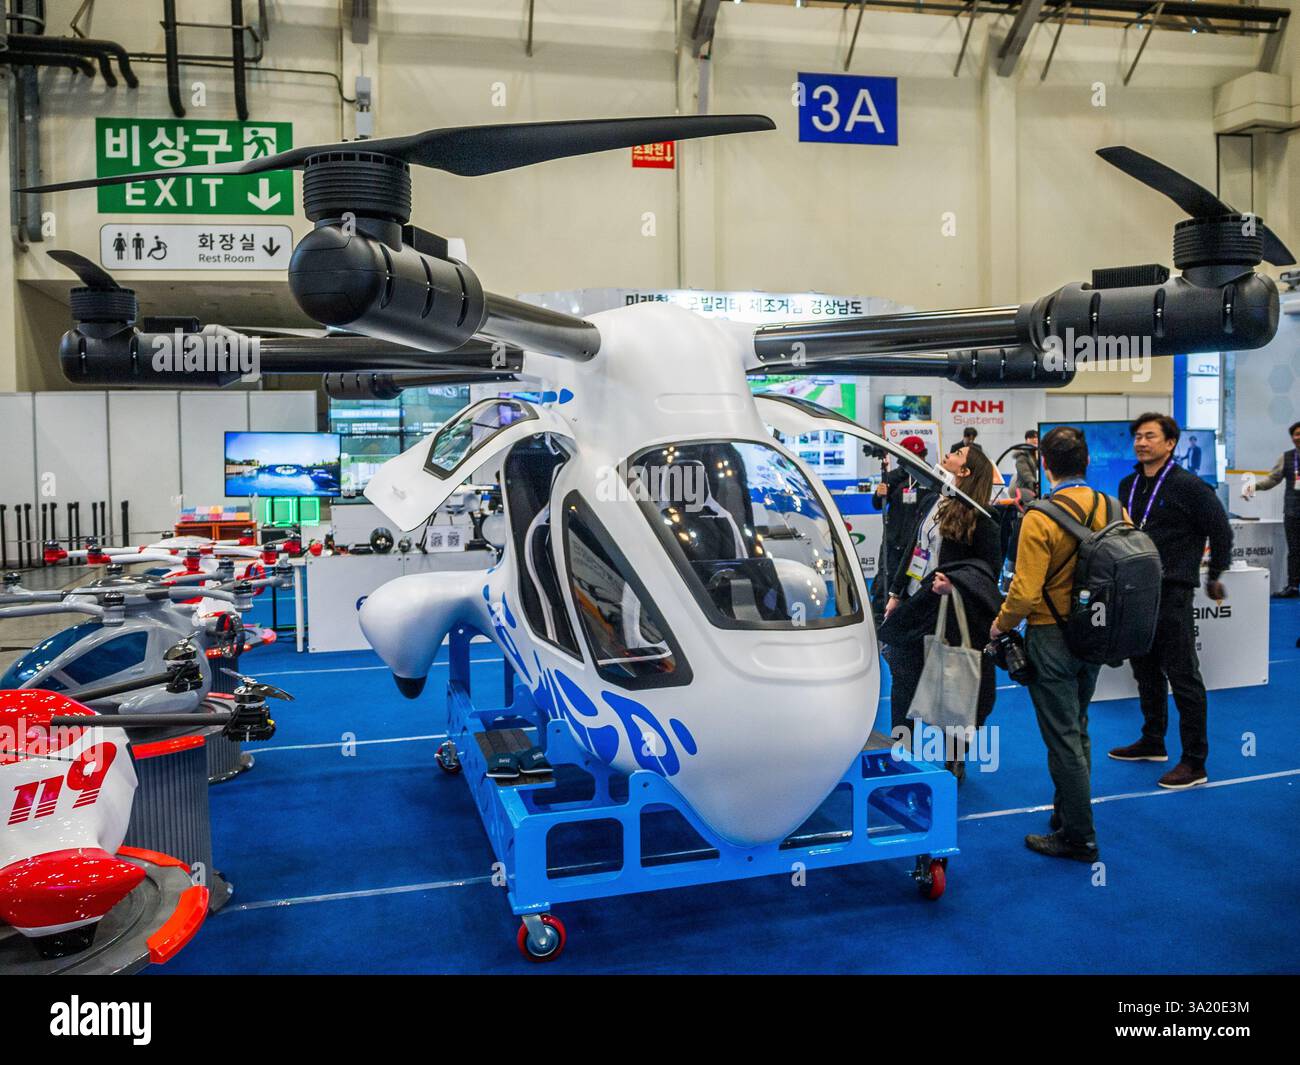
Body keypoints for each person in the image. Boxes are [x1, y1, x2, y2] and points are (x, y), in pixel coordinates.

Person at [991, 426, 1122, 861]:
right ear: (1086, 462)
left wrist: (999, 625)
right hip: (1098, 632)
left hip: (1051, 636)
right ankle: (1068, 812)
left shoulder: (1040, 517)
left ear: (1045, 466)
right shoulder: (1112, 507)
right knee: (1078, 725)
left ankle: (1079, 836)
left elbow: (1025, 592)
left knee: (1062, 736)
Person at [1109, 413, 1232, 789]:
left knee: (1183, 676)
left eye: (1150, 436)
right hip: (1136, 592)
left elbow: (1221, 532)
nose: (1142, 442)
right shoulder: (1128, 484)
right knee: (1144, 670)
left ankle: (1195, 762)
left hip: (1174, 591)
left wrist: (1213, 577)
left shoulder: (1191, 487)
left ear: (1170, 443)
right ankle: (1153, 740)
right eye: (1138, 437)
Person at [879, 445, 1000, 777]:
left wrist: (955, 586)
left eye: (958, 452)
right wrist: (896, 592)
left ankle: (954, 760)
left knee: (953, 690)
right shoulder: (933, 500)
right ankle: (900, 755)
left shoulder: (983, 518)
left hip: (951, 615)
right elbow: (915, 549)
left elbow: (987, 575)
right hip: (916, 607)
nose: (949, 453)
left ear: (965, 471)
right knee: (903, 681)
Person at [869, 436, 934, 625]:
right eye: (910, 456)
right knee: (885, 578)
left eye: (918, 455)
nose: (915, 459)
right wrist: (879, 493)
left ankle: (909, 619)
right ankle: (879, 619)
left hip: (918, 544)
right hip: (892, 540)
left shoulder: (930, 478)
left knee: (914, 582)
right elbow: (876, 503)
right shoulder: (893, 477)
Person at [1242, 420, 1300, 598]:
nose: (1299, 437)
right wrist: (1253, 486)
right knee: (1295, 551)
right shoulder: (1286, 457)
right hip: (1293, 511)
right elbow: (1273, 479)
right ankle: (1293, 586)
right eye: (1296, 434)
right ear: (1292, 438)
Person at [1013, 431, 1040, 502]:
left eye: (1037, 437)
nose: (1035, 439)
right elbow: (1026, 475)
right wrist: (1036, 487)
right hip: (1024, 491)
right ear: (1026, 440)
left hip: (1031, 490)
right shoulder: (1022, 456)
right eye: (1032, 437)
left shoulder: (1035, 455)